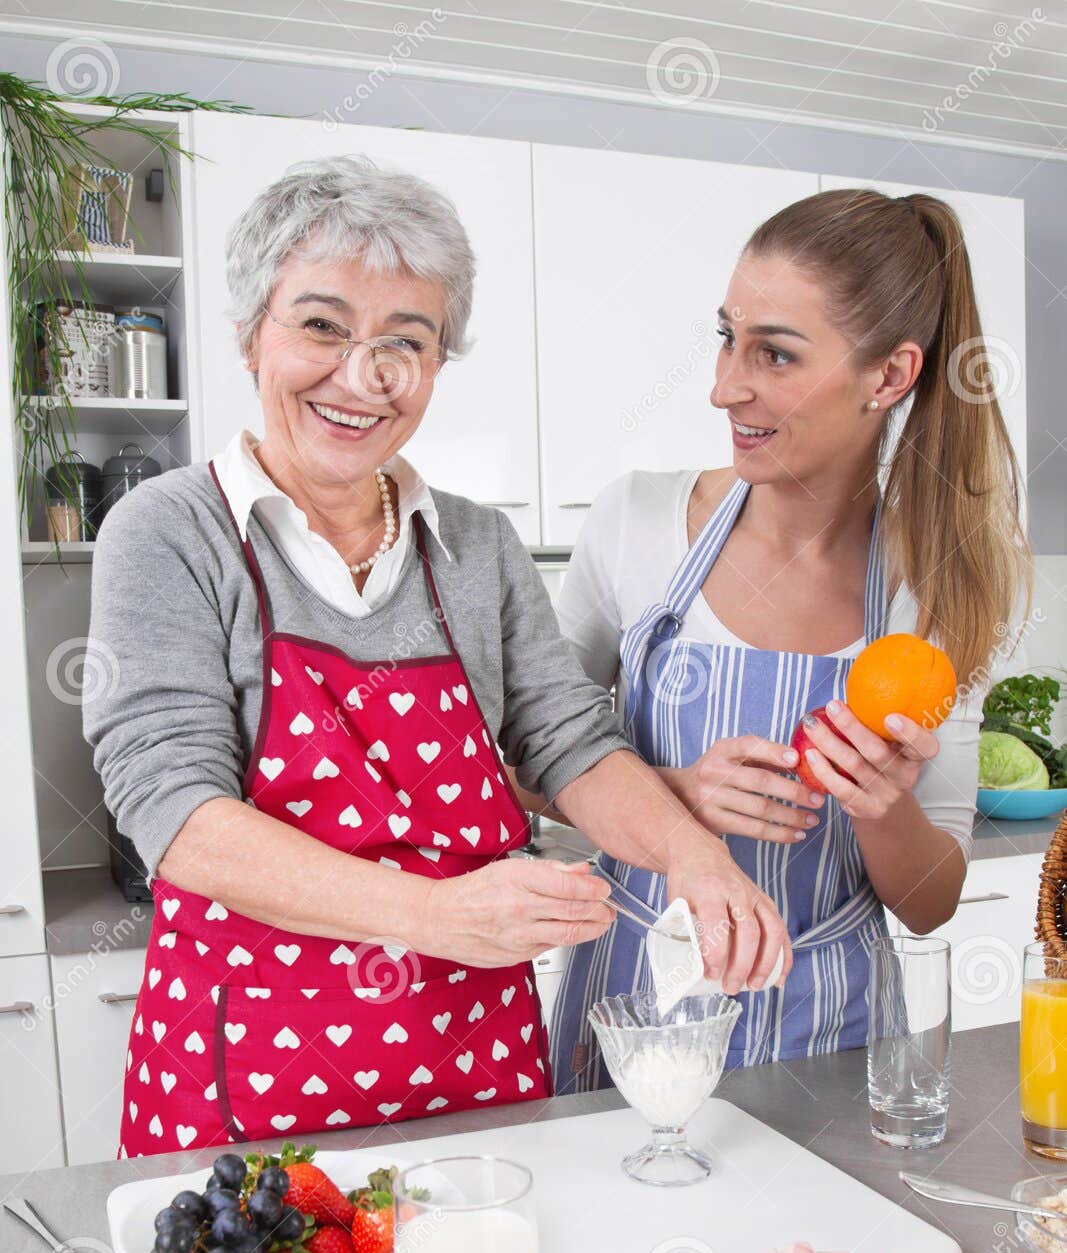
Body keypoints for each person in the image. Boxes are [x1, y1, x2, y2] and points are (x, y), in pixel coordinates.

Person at [85, 155, 790, 1157]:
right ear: (251, 335)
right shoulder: (170, 531)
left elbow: (567, 739)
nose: (362, 376)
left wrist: (695, 858)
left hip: (479, 1082)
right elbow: (178, 816)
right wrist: (431, 914)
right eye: (321, 326)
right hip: (249, 1100)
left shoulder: (475, 543)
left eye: (404, 342)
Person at [549, 188, 1031, 1089]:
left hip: (834, 1031)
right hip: (641, 1008)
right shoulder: (636, 523)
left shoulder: (933, 586)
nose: (725, 385)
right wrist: (669, 793)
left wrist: (882, 808)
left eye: (773, 352)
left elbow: (930, 905)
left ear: (887, 378)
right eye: (726, 336)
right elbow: (518, 764)